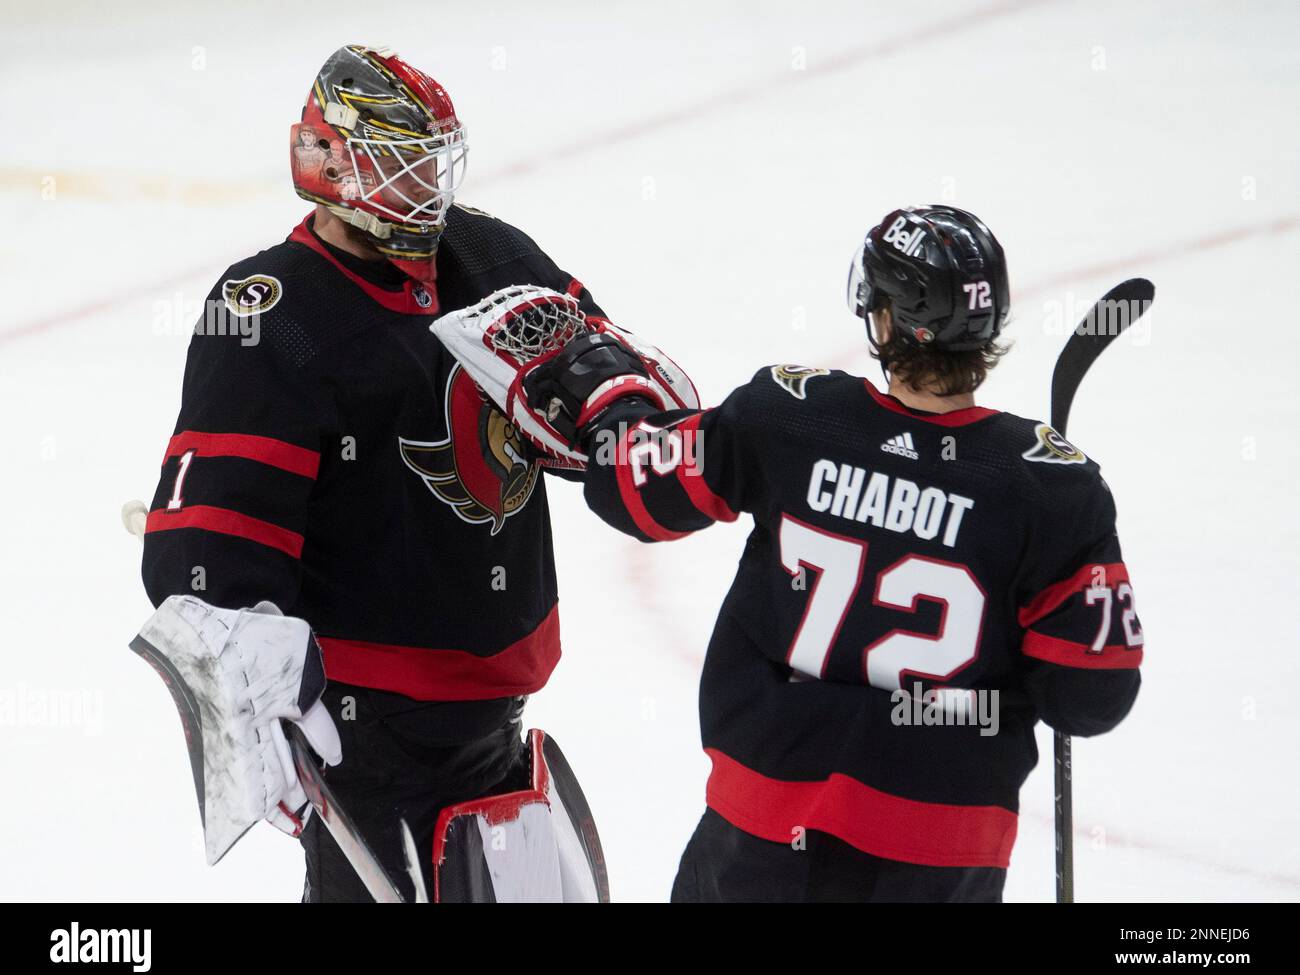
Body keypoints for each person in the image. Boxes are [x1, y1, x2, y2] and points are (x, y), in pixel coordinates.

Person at [134, 44, 692, 902]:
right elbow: (206, 547)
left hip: (498, 716)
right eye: (402, 169)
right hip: (364, 732)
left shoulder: (486, 254)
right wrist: (245, 645)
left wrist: (611, 411)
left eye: (433, 165)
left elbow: (607, 384)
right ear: (329, 164)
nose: (425, 190)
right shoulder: (272, 311)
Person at [462, 204, 1144, 901]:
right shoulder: (1051, 487)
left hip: (762, 835)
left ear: (883, 319)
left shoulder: (791, 417)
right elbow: (1092, 698)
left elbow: (637, 493)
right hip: (945, 862)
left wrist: (610, 396)